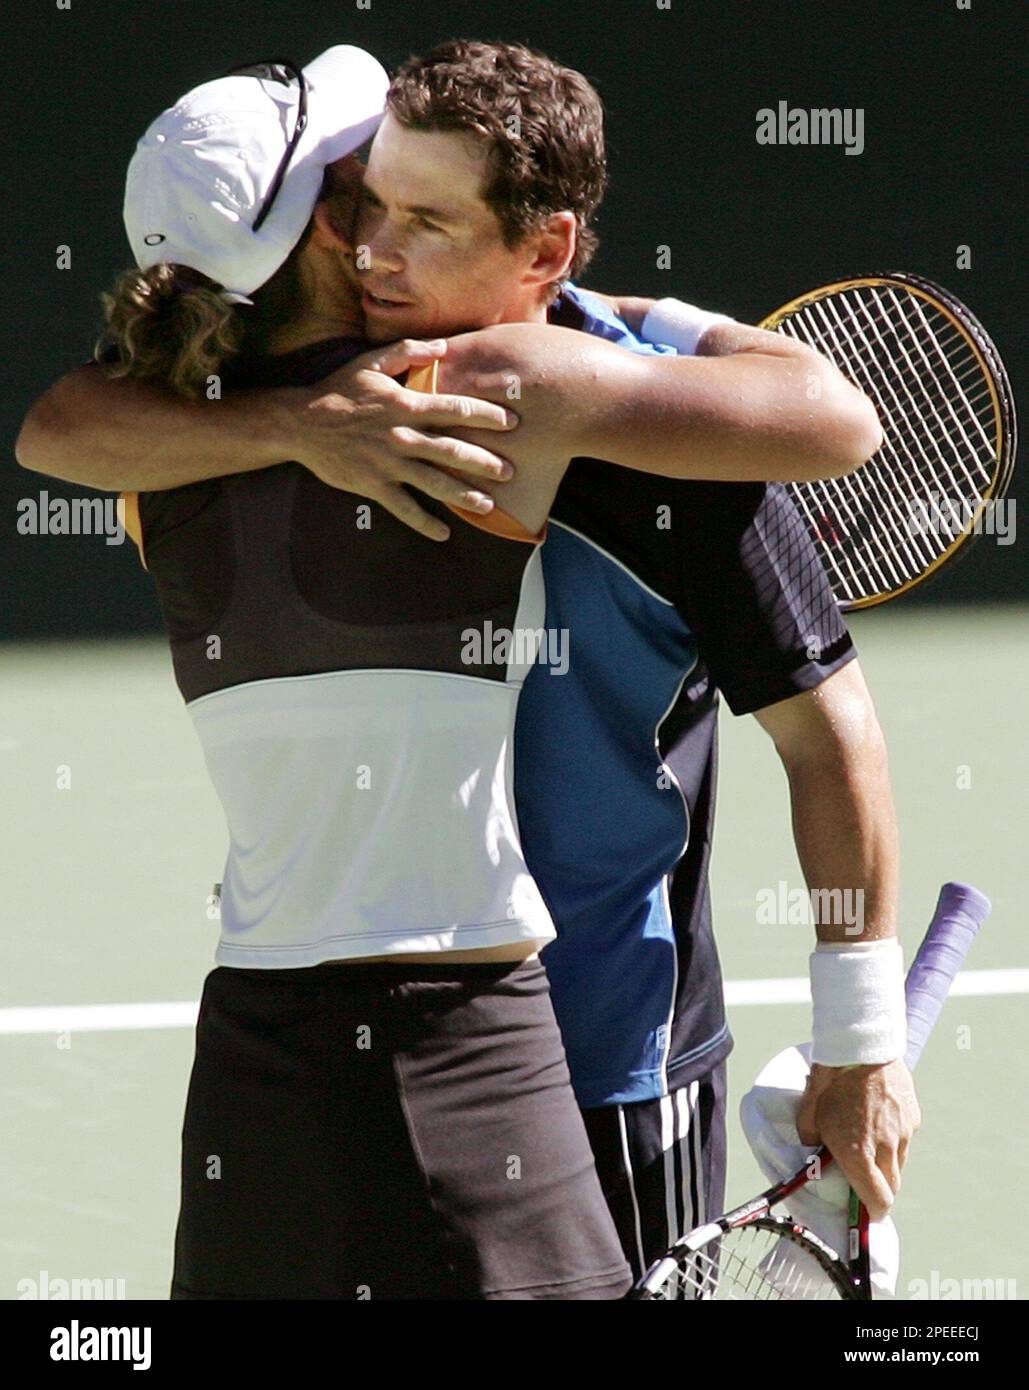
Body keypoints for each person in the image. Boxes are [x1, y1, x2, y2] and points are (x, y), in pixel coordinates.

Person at [16, 40, 910, 1297]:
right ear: (322, 227)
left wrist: (860, 1041)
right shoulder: (505, 389)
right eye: (364, 199)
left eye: (418, 214)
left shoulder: (157, 458)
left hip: (374, 1050)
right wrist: (661, 327)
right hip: (483, 1049)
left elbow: (54, 425)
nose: (383, 238)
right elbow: (838, 419)